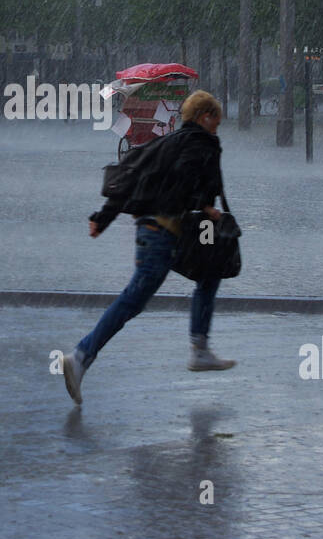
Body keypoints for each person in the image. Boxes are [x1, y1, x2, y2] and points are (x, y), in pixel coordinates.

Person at [63, 90, 235, 405]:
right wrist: (204, 206)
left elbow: (130, 177)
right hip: (161, 234)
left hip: (161, 231)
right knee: (133, 300)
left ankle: (199, 349)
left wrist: (102, 218)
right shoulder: (200, 144)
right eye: (216, 121)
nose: (217, 127)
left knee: (210, 273)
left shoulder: (165, 143)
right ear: (203, 117)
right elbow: (188, 183)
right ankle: (80, 356)